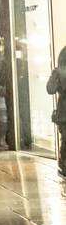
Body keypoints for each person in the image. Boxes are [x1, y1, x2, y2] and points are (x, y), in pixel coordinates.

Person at [47, 46, 66, 177]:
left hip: (64, 111)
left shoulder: (59, 71)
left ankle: (64, 165)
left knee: (65, 139)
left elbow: (50, 89)